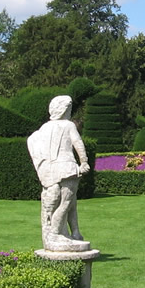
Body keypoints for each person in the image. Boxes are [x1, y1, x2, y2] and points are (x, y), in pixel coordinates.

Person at [27, 95, 90, 251]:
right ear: (64, 110)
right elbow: (78, 143)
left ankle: (73, 233)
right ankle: (55, 233)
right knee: (66, 202)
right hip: (66, 168)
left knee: (70, 202)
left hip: (51, 170)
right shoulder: (68, 125)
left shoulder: (44, 128)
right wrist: (84, 162)